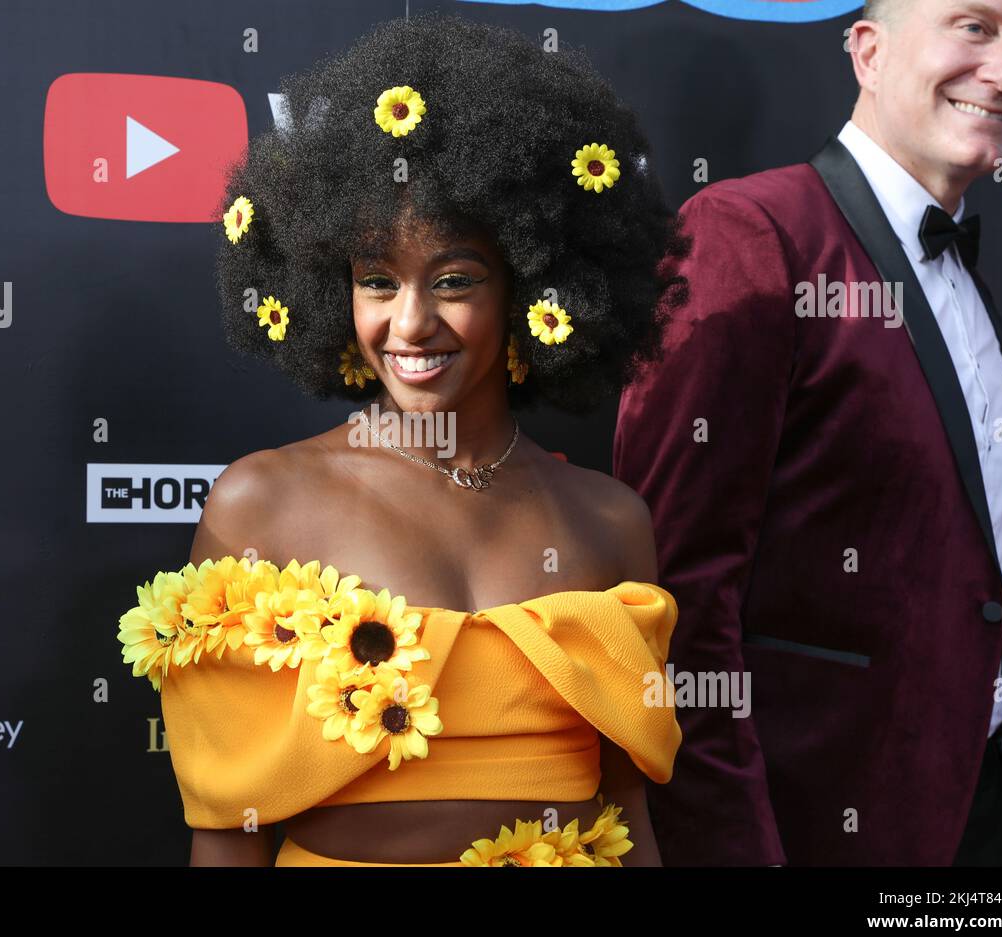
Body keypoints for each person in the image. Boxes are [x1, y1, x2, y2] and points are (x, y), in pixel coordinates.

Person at [115, 12, 690, 866]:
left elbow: (629, 813)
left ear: (538, 288)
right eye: (377, 281)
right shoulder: (261, 504)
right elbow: (227, 829)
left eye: (454, 280)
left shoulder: (611, 523)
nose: (410, 323)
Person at [614, 0, 1002, 865]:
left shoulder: (972, 270)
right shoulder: (750, 234)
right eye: (973, 27)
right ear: (867, 53)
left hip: (989, 818)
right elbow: (678, 606)